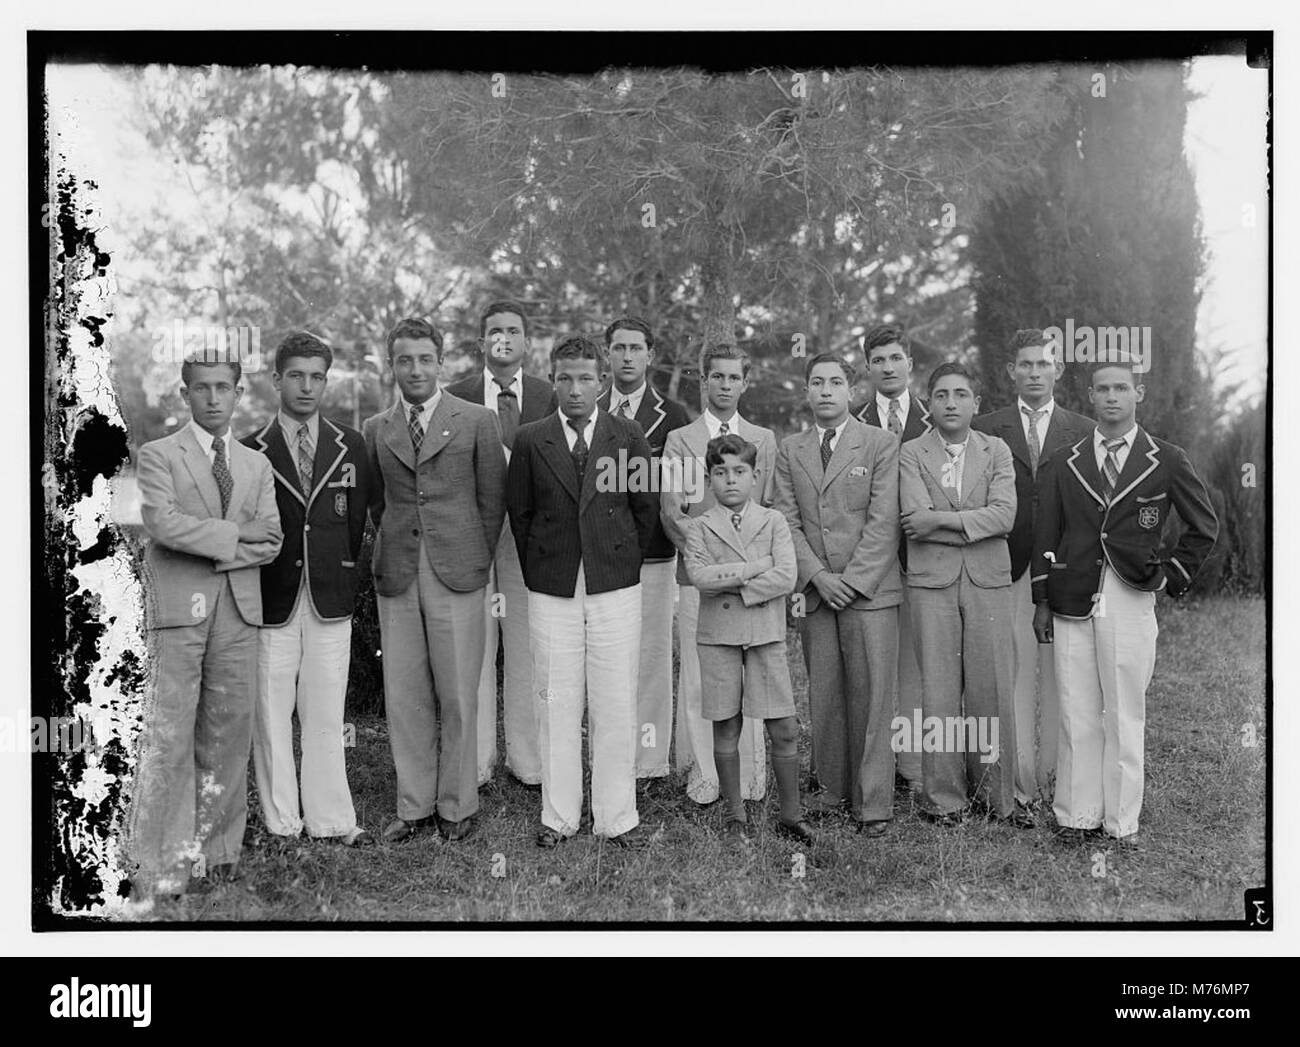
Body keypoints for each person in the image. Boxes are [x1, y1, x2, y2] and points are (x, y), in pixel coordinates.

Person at [1032, 361, 1218, 841]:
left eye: (1121, 388)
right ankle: (1076, 814)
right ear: (1089, 396)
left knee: (1124, 708)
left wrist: (1168, 576)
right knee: (1076, 706)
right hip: (1072, 592)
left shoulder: (1166, 458)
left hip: (1130, 593)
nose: (1111, 396)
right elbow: (1045, 532)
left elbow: (1203, 527)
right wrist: (1041, 598)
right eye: (1102, 389)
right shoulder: (1064, 460)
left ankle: (1120, 821)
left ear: (1138, 394)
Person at [129, 355, 283, 898]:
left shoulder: (254, 464)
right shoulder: (157, 455)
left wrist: (221, 540)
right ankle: (166, 860)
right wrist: (233, 536)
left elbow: (272, 540)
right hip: (177, 610)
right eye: (202, 389)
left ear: (239, 393)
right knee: (170, 734)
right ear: (185, 394)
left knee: (227, 733)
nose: (214, 398)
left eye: (224, 388)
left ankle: (219, 853)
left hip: (238, 611)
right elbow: (162, 523)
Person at [507, 334, 660, 848]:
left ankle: (616, 816)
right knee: (556, 696)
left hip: (614, 582)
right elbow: (520, 513)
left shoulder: (628, 433)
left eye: (586, 378)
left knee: (616, 697)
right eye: (566, 378)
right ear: (553, 380)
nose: (576, 389)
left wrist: (616, 560)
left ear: (603, 381)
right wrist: (545, 569)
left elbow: (645, 510)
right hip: (552, 584)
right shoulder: (532, 439)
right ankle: (559, 816)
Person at [363, 317, 507, 844]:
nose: (416, 369)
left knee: (458, 693)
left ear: (441, 363)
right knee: (404, 694)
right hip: (398, 571)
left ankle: (457, 805)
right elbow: (380, 502)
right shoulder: (377, 428)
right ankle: (414, 805)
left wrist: (472, 554)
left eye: (425, 359)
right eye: (405, 359)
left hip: (459, 570)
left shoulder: (475, 420)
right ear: (392, 365)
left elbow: (493, 501)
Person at [242, 331, 374, 848]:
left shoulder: (350, 444)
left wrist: (340, 569)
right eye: (296, 375)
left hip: (329, 596)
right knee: (272, 711)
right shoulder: (251, 448)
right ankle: (282, 821)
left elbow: (355, 518)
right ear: (276, 380)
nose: (307, 386)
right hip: (273, 597)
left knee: (325, 711)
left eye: (317, 376)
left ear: (326, 381)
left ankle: (331, 818)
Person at [774, 353, 901, 837]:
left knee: (871, 697)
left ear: (852, 391)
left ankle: (873, 804)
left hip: (869, 591)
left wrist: (851, 580)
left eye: (834, 383)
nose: (825, 391)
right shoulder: (792, 449)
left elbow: (885, 520)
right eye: (816, 383)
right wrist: (817, 577)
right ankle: (829, 791)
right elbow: (785, 517)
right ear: (806, 392)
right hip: (817, 593)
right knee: (824, 691)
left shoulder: (880, 443)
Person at [900, 362, 1031, 827]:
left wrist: (943, 521)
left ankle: (997, 797)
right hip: (931, 583)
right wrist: (965, 524)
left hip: (988, 582)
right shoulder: (912, 453)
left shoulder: (996, 450)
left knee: (990, 687)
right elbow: (914, 518)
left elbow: (1005, 517)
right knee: (937, 688)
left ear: (977, 403)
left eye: (960, 394)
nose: (950, 403)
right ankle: (944, 798)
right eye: (940, 395)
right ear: (929, 403)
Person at [971, 329, 1094, 805]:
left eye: (1044, 364)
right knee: (1013, 671)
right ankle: (1017, 779)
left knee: (1063, 675)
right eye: (1025, 365)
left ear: (1058, 369)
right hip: (1006, 564)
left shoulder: (1082, 429)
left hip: (1065, 569)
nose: (1035, 373)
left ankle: (1060, 775)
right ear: (1011, 371)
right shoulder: (986, 427)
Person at [445, 299, 557, 789]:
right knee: (475, 646)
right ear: (481, 342)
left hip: (527, 537)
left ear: (527, 342)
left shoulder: (549, 395)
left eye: (514, 331)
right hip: (473, 532)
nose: (504, 339)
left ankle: (528, 762)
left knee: (526, 644)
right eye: (495, 331)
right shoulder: (456, 396)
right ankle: (478, 762)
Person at [683, 434, 813, 845]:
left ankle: (790, 816)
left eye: (739, 471)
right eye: (720, 473)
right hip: (718, 636)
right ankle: (735, 816)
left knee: (784, 726)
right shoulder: (700, 526)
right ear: (709, 479)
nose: (730, 480)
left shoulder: (773, 521)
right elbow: (700, 578)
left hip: (765, 633)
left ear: (755, 476)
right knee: (726, 724)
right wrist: (754, 567)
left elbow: (786, 577)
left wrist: (734, 581)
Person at [660, 344, 773, 806]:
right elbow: (672, 513)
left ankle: (750, 774)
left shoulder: (763, 438)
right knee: (702, 676)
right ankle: (706, 774)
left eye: (734, 378)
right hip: (699, 580)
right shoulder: (680, 440)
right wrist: (709, 563)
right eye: (717, 377)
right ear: (703, 382)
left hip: (751, 583)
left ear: (745, 383)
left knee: (751, 676)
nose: (725, 385)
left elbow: (771, 511)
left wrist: (749, 568)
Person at [596, 316, 690, 782]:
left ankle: (649, 760)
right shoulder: (587, 408)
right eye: (619, 347)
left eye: (636, 347)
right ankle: (609, 754)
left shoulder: (673, 417)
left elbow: (681, 491)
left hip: (652, 552)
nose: (627, 356)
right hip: (598, 555)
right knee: (606, 656)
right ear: (607, 354)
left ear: (650, 355)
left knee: (652, 654)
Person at [854, 322, 930, 792]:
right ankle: (874, 765)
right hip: (874, 565)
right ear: (867, 368)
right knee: (875, 668)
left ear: (910, 363)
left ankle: (916, 766)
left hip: (925, 560)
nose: (887, 367)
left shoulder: (938, 414)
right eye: (878, 359)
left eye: (895, 357)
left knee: (919, 666)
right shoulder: (855, 420)